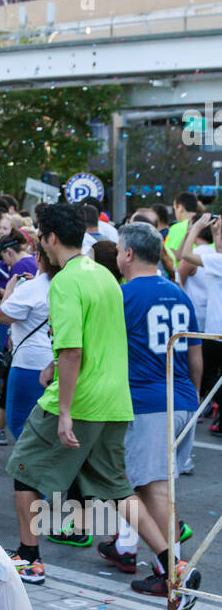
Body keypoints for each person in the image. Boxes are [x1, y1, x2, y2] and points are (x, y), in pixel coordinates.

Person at [4, 202, 199, 602]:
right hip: (117, 401)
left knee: (23, 468)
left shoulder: (65, 283)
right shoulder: (106, 278)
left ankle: (29, 558)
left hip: (80, 399)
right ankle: (171, 562)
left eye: (41, 237)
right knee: (117, 488)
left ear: (51, 238)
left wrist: (66, 412)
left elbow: (73, 350)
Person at [100, 223, 201, 590]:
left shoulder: (123, 295)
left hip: (147, 402)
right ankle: (154, 559)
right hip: (182, 398)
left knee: (148, 487)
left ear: (128, 254)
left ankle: (174, 571)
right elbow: (195, 354)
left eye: (119, 250)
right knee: (153, 486)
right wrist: (194, 397)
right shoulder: (177, 292)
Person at [0, 246, 54, 441]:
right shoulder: (69, 284)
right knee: (51, 422)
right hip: (59, 360)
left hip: (29, 363)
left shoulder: (31, 288)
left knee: (19, 421)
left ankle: (34, 468)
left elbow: (2, 315)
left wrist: (10, 289)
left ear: (39, 257)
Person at [178, 212, 222, 436]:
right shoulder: (218, 259)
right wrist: (215, 234)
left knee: (204, 372)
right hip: (214, 329)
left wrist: (194, 228)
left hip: (216, 331)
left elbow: (184, 255)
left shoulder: (217, 261)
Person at [167, 191, 199, 258]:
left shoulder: (175, 228)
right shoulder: (208, 225)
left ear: (180, 207)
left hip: (182, 267)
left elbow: (169, 255)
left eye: (174, 208)